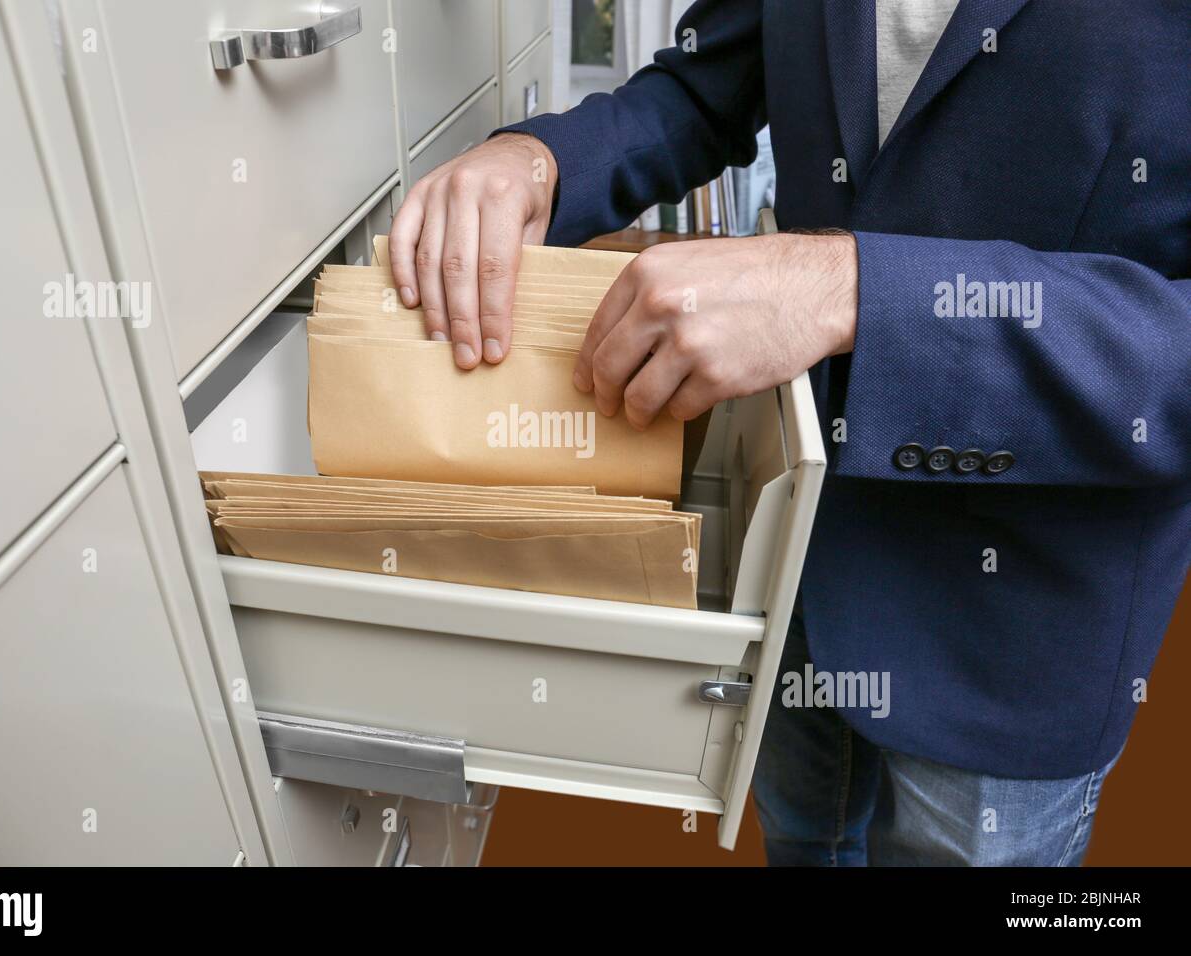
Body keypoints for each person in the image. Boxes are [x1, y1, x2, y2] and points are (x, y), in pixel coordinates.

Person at [388, 0, 1191, 865]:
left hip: (1016, 623)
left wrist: (854, 288)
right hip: (799, 541)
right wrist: (541, 157)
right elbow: (708, 89)